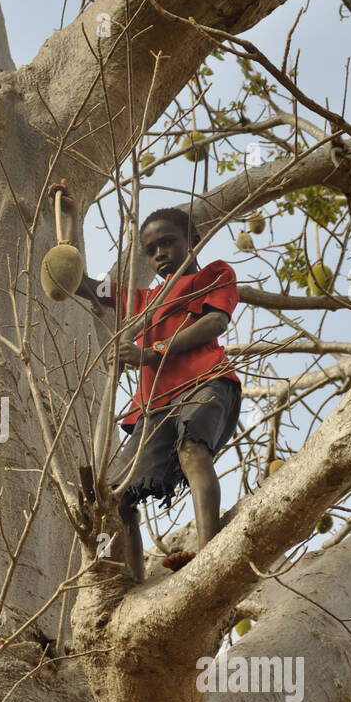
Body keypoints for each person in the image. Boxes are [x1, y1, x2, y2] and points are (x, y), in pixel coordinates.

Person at [71, 206, 241, 581]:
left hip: (205, 381)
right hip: (155, 407)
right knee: (114, 496)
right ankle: (133, 583)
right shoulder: (144, 301)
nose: (160, 253)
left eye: (168, 242)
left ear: (192, 242)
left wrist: (153, 352)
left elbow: (216, 321)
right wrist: (67, 221)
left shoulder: (214, 275)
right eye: (151, 249)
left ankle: (209, 552)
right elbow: (85, 283)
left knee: (192, 448)